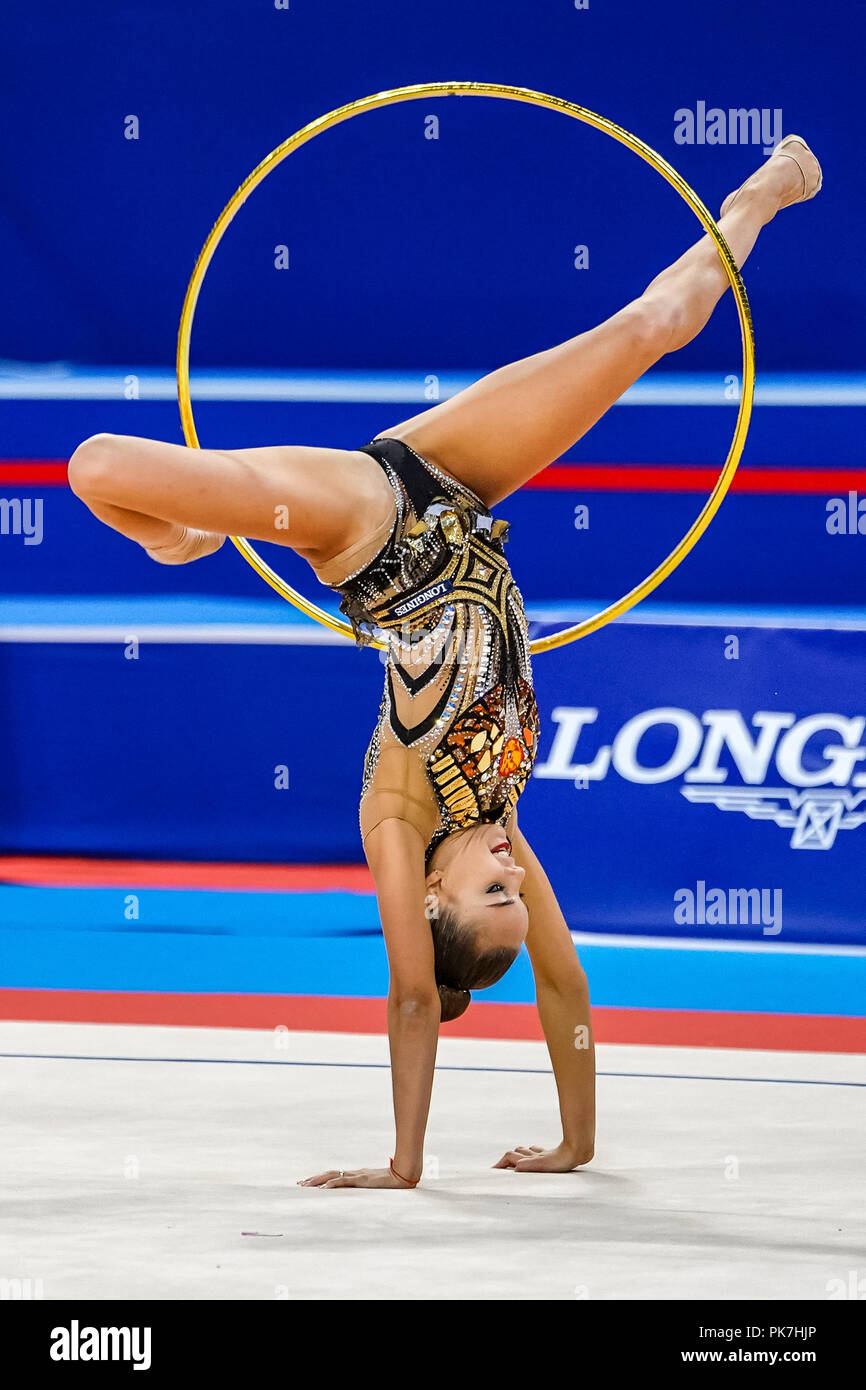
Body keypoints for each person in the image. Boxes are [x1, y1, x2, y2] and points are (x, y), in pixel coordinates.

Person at [68, 137, 822, 1189]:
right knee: (648, 328)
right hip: (454, 490)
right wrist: (577, 1142)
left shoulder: (399, 825)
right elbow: (562, 987)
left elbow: (414, 995)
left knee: (96, 465)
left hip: (367, 531)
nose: (514, 875)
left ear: (432, 895)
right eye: (517, 890)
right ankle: (755, 199)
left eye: (493, 894)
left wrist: (404, 1163)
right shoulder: (498, 825)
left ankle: (182, 535)